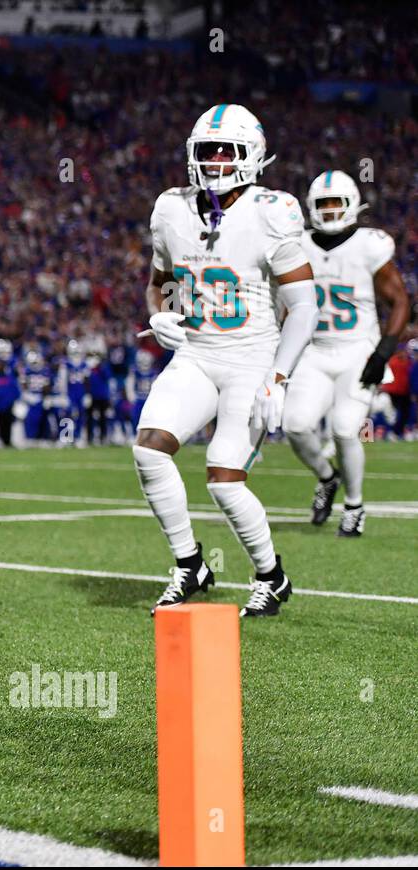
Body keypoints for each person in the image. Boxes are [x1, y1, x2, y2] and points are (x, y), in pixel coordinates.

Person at [136, 104, 319, 618]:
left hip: (252, 359)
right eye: (206, 151)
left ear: (253, 156)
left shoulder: (272, 210)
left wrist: (278, 377)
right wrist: (162, 315)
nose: (215, 162)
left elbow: (304, 306)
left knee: (224, 479)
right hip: (195, 353)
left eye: (227, 151)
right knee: (150, 450)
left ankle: (271, 576)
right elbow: (158, 286)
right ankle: (190, 564)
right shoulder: (170, 208)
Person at [281, 170, 411, 536]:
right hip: (315, 352)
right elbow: (286, 305)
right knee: (295, 425)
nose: (330, 209)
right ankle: (327, 477)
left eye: (336, 202)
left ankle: (354, 505)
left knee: (344, 429)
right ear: (311, 207)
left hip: (358, 351)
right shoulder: (298, 246)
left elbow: (400, 300)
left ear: (352, 204)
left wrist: (383, 352)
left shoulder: (369, 245)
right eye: (323, 203)